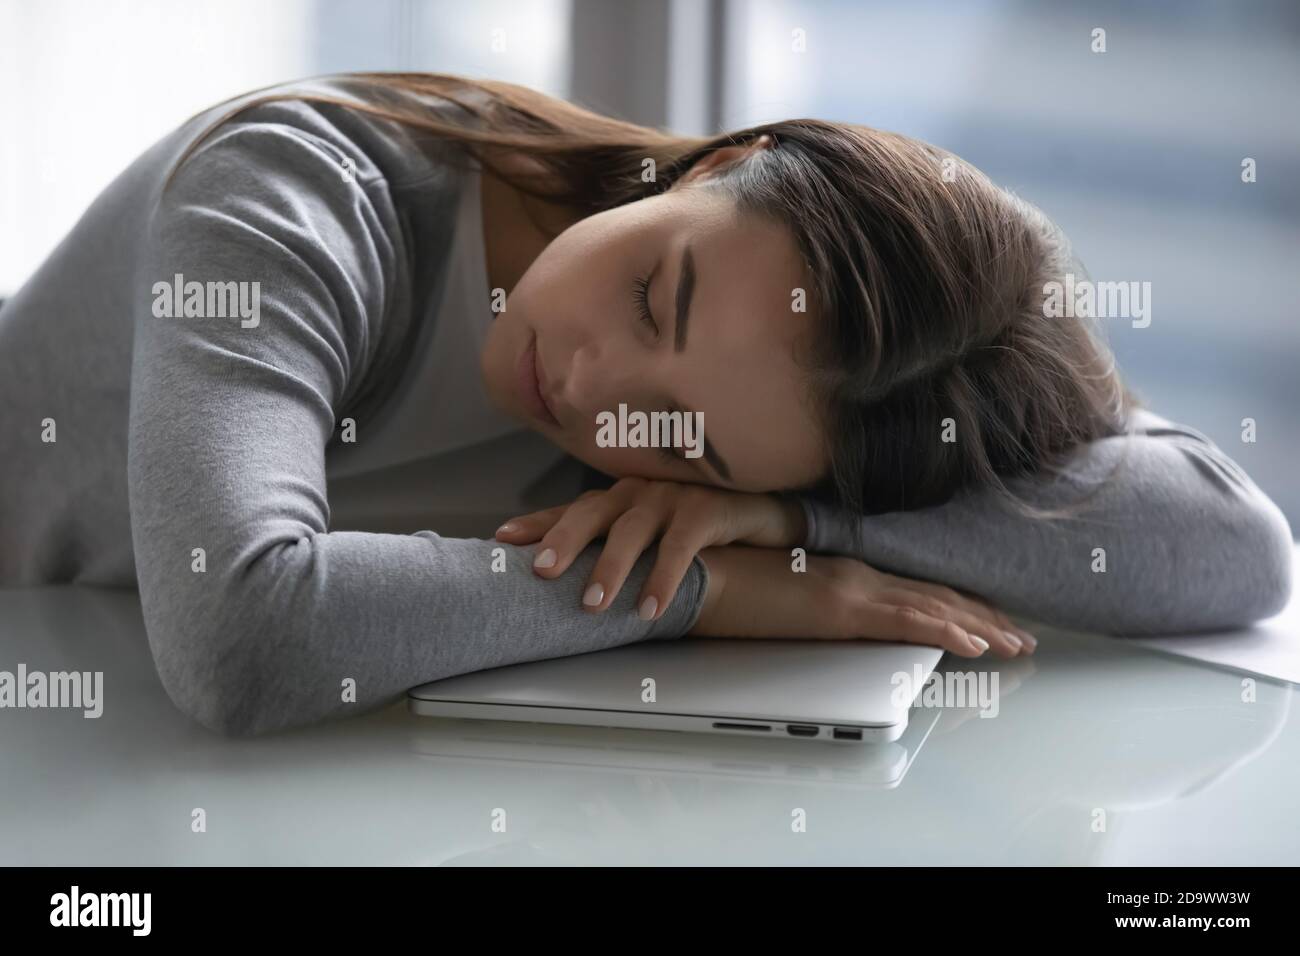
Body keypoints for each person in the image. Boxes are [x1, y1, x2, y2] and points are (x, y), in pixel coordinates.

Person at [0, 73, 1290, 736]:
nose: (599, 396)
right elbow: (243, 637)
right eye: (655, 300)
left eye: (692, 445)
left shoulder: (777, 408)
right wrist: (716, 594)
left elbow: (1232, 548)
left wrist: (804, 521)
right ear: (724, 162)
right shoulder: (291, 197)